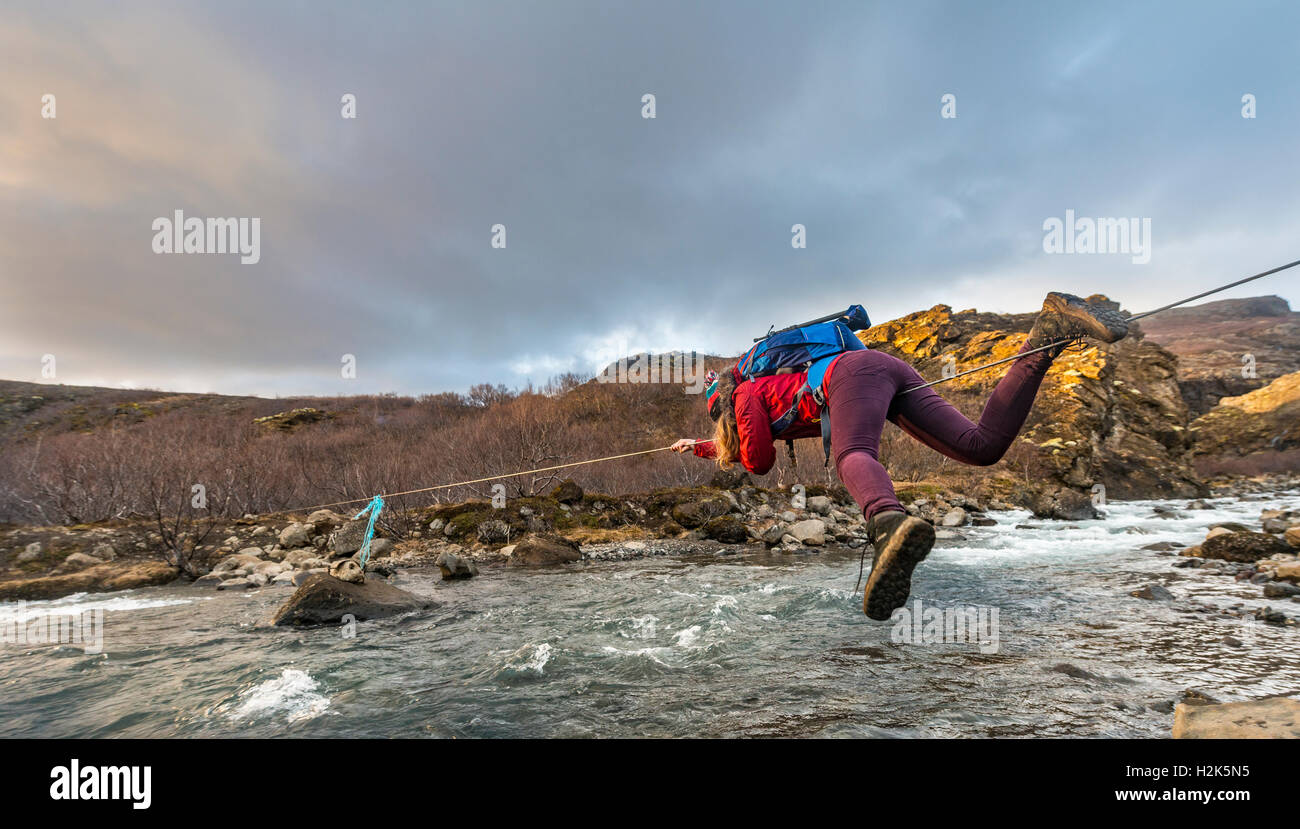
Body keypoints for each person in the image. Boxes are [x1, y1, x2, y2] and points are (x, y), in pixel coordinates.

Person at [672, 292, 1129, 620]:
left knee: (853, 452)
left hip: (850, 376)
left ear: (721, 405)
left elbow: (757, 460)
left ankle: (889, 524)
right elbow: (749, 446)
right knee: (980, 446)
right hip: (884, 370)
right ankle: (1047, 334)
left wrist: (723, 450)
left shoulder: (746, 394)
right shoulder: (769, 391)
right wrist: (702, 449)